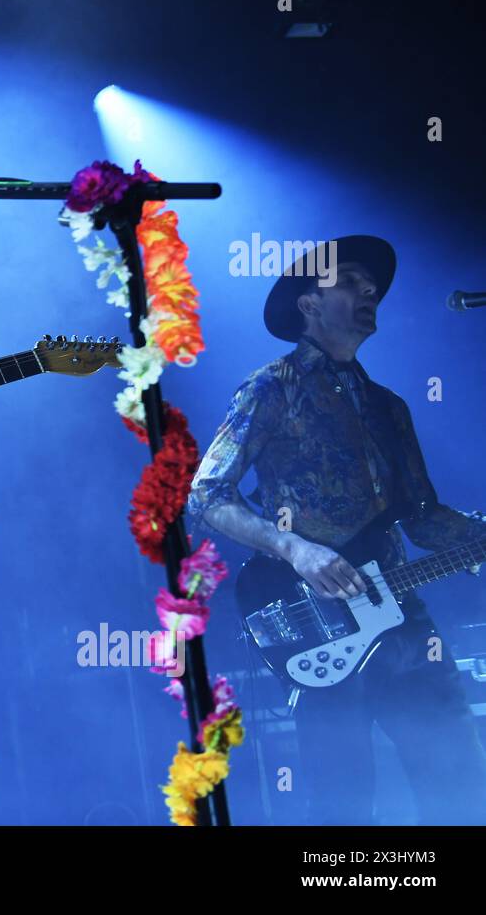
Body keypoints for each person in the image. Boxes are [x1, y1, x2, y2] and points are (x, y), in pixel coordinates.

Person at [188, 235, 486, 824]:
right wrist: (295, 549)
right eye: (351, 279)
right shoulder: (271, 388)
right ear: (309, 304)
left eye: (371, 285)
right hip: (310, 615)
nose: (370, 289)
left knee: (457, 772)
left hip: (402, 617)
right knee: (344, 794)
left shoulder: (388, 406)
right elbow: (206, 496)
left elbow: (421, 517)